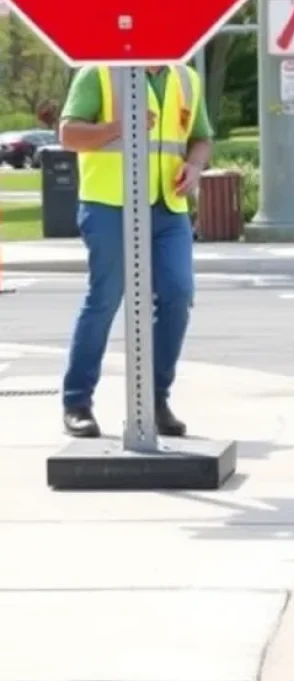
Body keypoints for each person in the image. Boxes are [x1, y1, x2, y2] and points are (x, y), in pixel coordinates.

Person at [58, 64, 212, 439]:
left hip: (166, 206)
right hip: (109, 203)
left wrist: (194, 166)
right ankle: (77, 402)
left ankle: (155, 399)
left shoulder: (186, 78)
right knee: (106, 298)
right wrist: (117, 126)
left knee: (179, 294)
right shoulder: (100, 71)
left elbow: (201, 138)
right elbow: (68, 135)